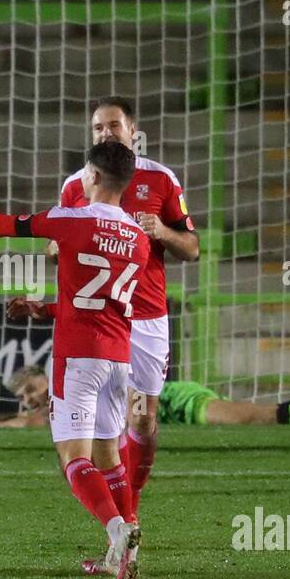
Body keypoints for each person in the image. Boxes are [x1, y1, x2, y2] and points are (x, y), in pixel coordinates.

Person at [0, 140, 149, 579]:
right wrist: (44, 309)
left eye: (84, 172)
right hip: (120, 359)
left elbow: (4, 226)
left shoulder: (70, 219)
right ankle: (121, 540)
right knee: (108, 456)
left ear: (94, 177)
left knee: (72, 458)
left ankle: (117, 529)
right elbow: (104, 303)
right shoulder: (138, 239)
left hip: (78, 359)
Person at [55, 97, 199, 518]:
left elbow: (192, 249)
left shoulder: (160, 180)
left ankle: (129, 510)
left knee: (142, 422)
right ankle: (125, 522)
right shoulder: (75, 184)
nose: (105, 133)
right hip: (100, 321)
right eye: (98, 127)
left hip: (148, 319)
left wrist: (165, 233)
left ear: (133, 131)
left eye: (113, 126)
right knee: (104, 429)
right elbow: (59, 244)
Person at [0, 360, 290, 430]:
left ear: (43, 378)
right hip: (157, 418)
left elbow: (35, 423)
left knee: (247, 417)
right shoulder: (57, 404)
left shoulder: (70, 383)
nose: (32, 398)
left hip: (172, 401)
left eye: (32, 388)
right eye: (26, 396)